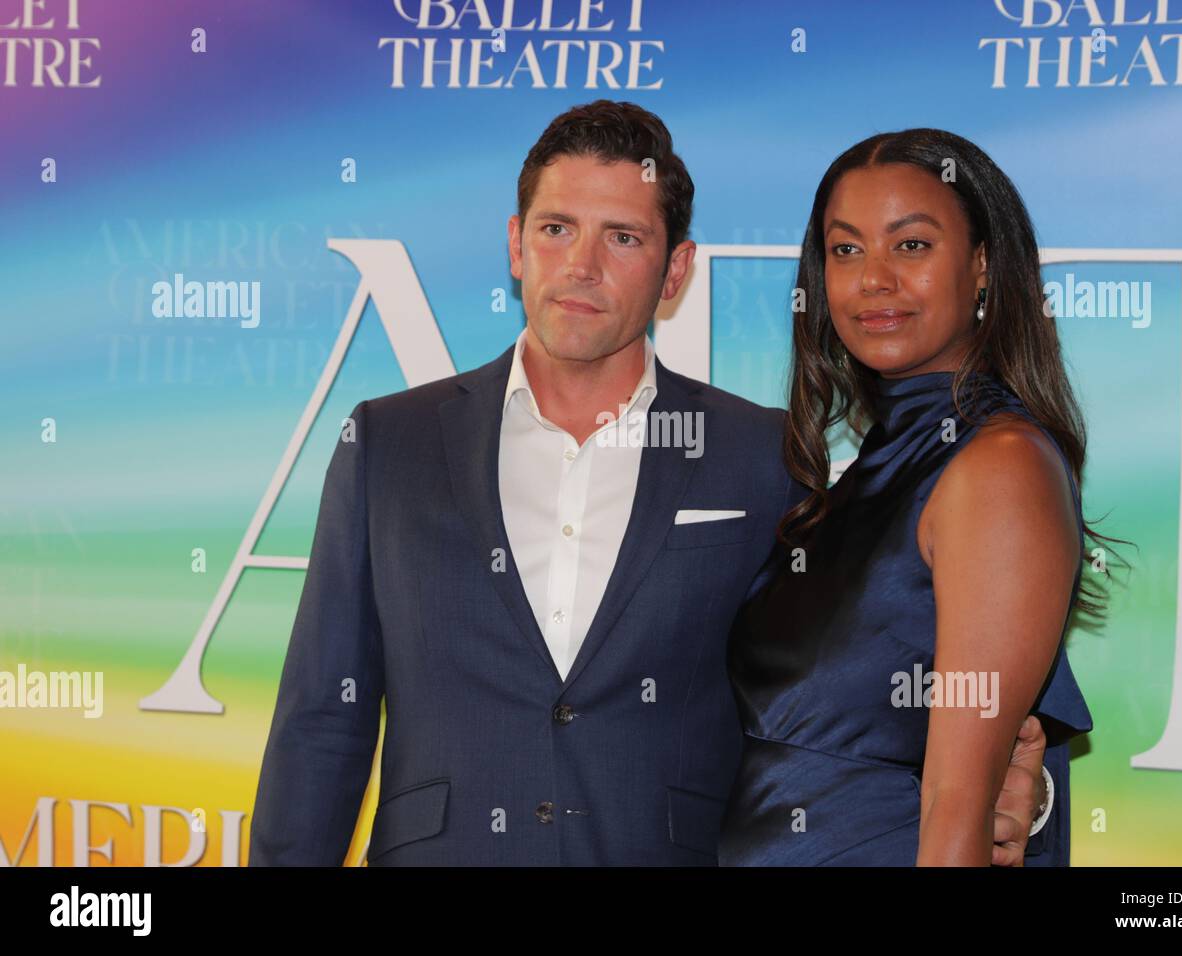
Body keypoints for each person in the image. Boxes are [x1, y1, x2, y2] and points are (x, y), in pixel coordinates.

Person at [249, 102, 1057, 867]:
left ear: (676, 272)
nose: (582, 265)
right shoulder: (389, 441)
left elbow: (840, 678)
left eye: (623, 237)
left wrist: (1024, 786)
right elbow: (324, 716)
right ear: (515, 246)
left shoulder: (764, 455)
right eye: (557, 228)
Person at [719, 128, 1101, 866]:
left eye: (913, 246)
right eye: (846, 249)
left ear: (984, 266)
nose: (873, 281)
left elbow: (957, 810)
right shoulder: (863, 479)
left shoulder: (1000, 465)